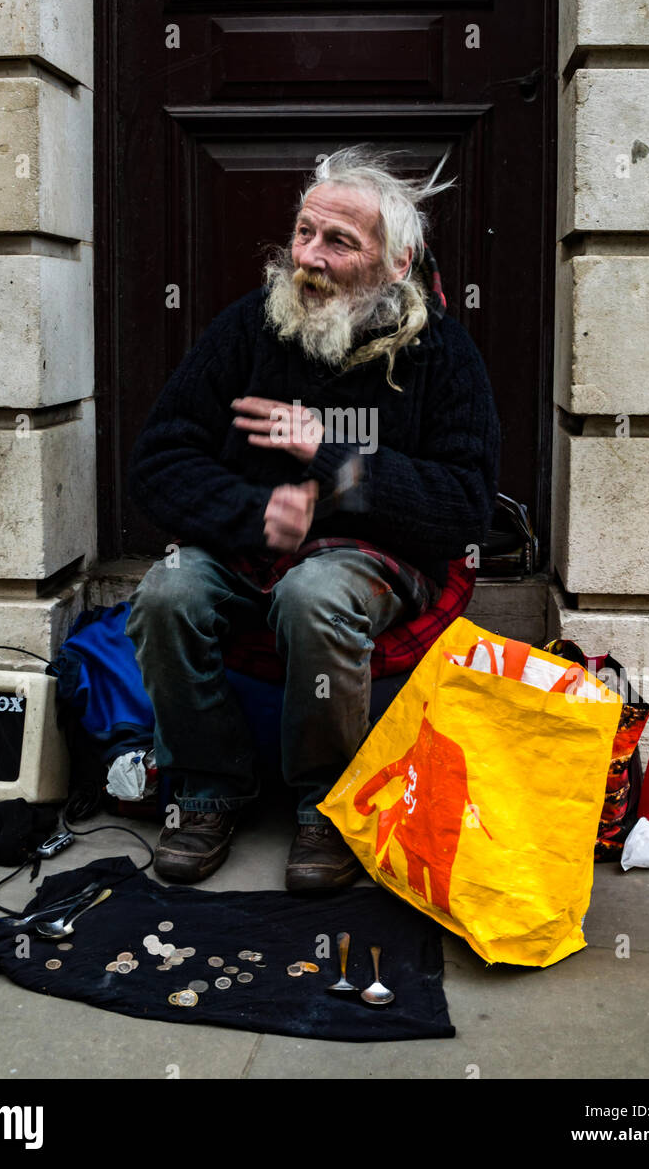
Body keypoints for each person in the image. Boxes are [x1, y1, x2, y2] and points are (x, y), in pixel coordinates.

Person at [125, 145, 501, 891]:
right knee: (167, 592)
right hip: (246, 545)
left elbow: (464, 507)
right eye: (303, 234)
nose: (310, 258)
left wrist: (335, 459)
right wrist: (256, 511)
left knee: (316, 593)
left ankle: (325, 806)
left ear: (397, 262)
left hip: (375, 557)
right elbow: (160, 458)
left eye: (338, 241)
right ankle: (205, 791)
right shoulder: (249, 329)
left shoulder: (444, 356)